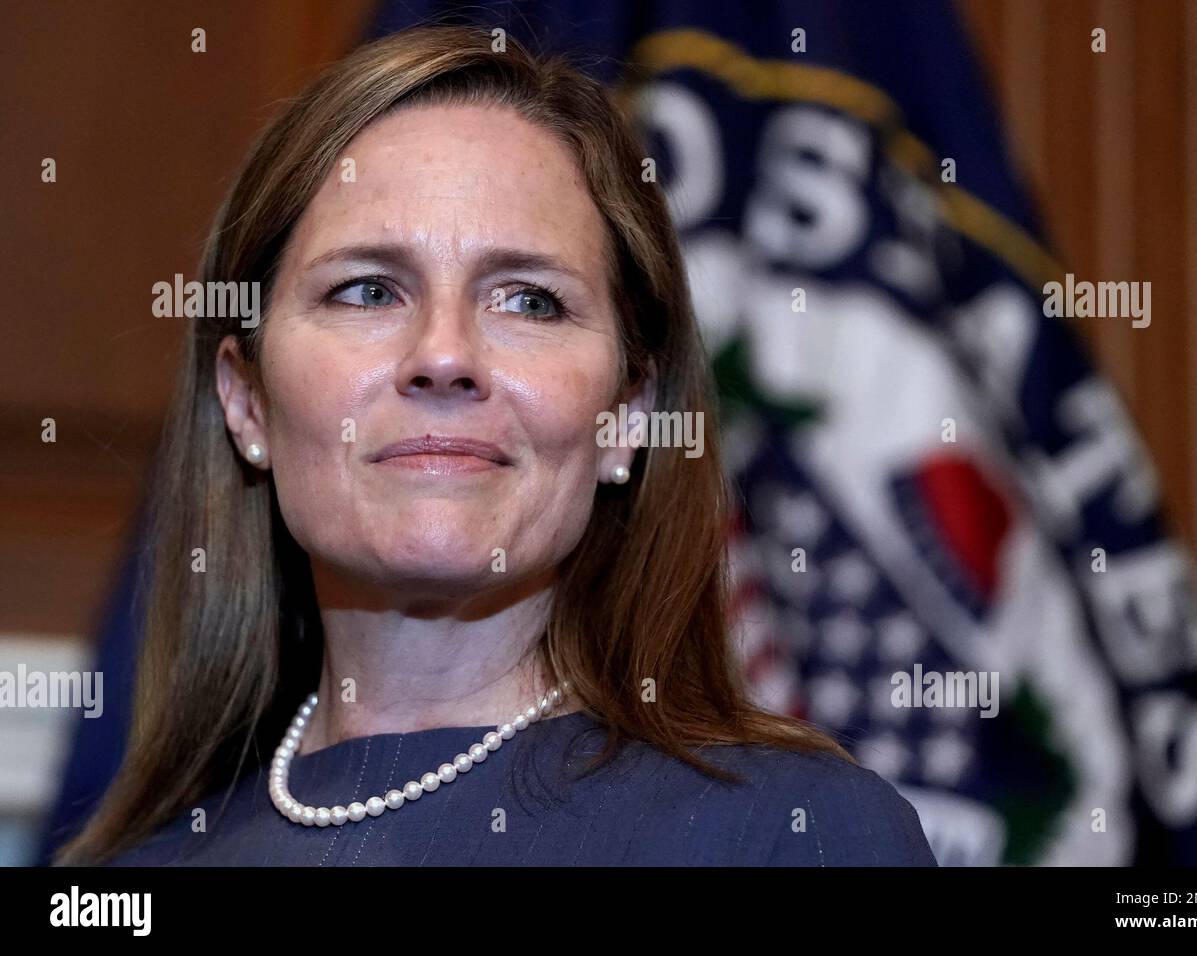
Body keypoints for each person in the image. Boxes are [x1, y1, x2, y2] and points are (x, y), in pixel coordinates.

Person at [56, 24, 935, 867]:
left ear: (627, 416)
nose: (443, 356)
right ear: (246, 402)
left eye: (528, 300)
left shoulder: (795, 836)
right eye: (367, 291)